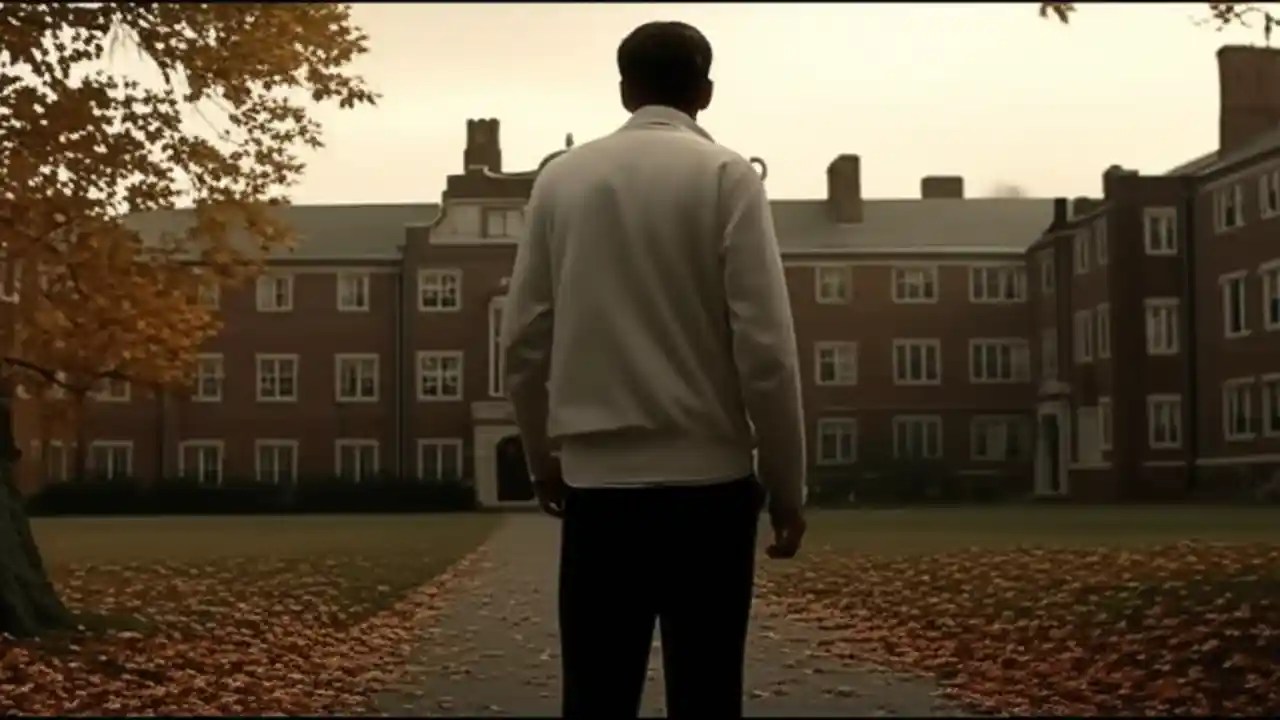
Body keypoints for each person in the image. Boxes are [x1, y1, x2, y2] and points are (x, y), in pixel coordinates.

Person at [500, 20, 807, 719]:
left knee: (597, 696)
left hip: (600, 488)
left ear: (623, 89)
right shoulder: (728, 176)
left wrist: (542, 458)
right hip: (711, 486)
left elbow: (522, 340)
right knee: (707, 695)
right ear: (705, 91)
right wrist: (787, 487)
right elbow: (766, 350)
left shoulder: (562, 180)